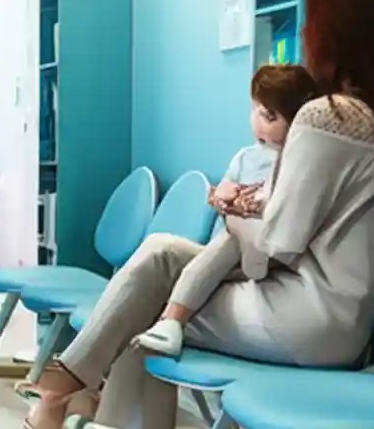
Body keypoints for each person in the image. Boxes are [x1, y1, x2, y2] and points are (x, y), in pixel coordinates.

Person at [21, 0, 374, 429]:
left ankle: (88, 421)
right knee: (162, 251)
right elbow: (287, 216)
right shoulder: (368, 118)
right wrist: (249, 211)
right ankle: (71, 385)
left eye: (311, 25)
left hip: (309, 314)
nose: (302, 35)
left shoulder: (329, 116)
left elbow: (279, 243)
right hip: (314, 305)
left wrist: (231, 213)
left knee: (151, 317)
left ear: (336, 35)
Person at [134, 64, 317, 358]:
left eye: (269, 116)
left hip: (258, 256)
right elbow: (220, 195)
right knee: (218, 239)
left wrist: (249, 209)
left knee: (234, 236)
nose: (258, 122)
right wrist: (222, 197)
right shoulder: (245, 158)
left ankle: (173, 319)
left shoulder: (297, 164)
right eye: (255, 110)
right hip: (219, 253)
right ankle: (167, 324)